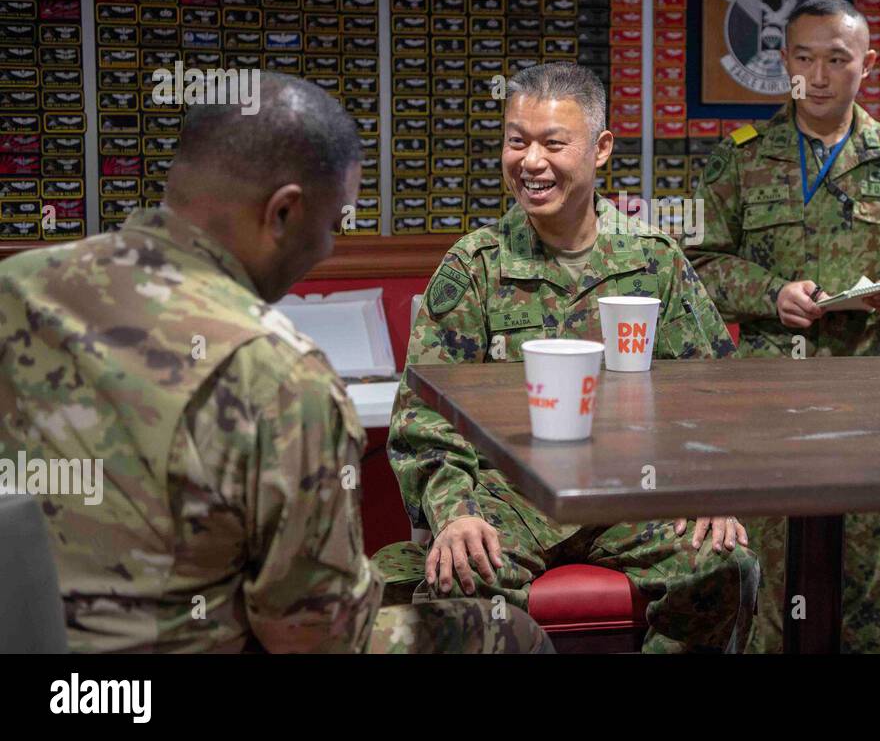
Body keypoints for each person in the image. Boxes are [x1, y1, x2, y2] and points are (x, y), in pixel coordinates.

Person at [0, 72, 549, 653]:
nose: (330, 248)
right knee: (506, 631)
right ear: (284, 213)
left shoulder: (17, 287)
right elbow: (314, 636)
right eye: (334, 223)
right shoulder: (283, 377)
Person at [380, 61, 759, 653]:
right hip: (507, 497)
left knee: (724, 566)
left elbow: (716, 391)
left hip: (631, 493)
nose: (531, 162)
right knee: (458, 581)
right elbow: (422, 419)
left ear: (601, 148)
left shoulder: (652, 261)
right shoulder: (474, 267)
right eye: (516, 141)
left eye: (553, 143)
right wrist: (454, 512)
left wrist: (711, 488)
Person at [688, 0, 880, 652]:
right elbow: (697, 263)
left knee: (869, 591)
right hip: (766, 403)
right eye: (803, 58)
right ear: (784, 61)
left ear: (867, 65)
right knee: (766, 585)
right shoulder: (740, 157)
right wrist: (770, 293)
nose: (817, 77)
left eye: (837, 60)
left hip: (875, 402)